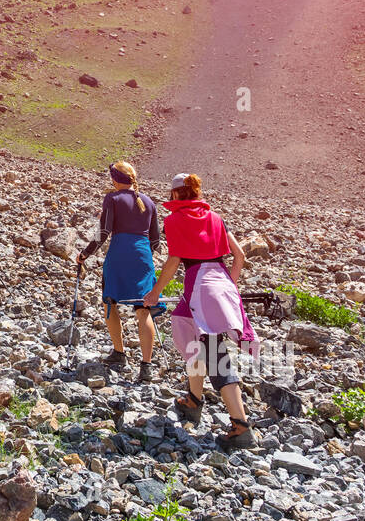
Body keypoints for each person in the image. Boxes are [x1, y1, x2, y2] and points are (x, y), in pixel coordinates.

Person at [144, 173, 260, 449]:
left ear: (174, 194)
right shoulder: (216, 217)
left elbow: (174, 260)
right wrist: (228, 286)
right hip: (219, 281)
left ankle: (241, 427)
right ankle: (194, 400)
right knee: (185, 324)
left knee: (213, 352)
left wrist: (155, 292)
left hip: (199, 285)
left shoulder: (174, 220)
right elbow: (239, 255)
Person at [75, 161, 161, 383]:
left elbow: (103, 232)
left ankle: (119, 353)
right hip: (142, 256)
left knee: (109, 301)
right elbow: (156, 241)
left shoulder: (112, 199)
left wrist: (85, 254)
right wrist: (142, 253)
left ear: (115, 178)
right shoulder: (149, 202)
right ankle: (147, 366)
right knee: (144, 308)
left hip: (119, 254)